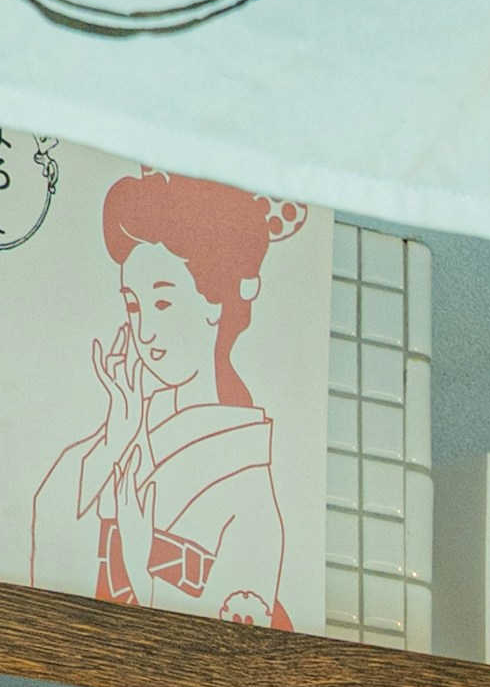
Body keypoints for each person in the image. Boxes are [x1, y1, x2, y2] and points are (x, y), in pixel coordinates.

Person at [28, 172, 312, 623]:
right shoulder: (131, 433)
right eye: (133, 305)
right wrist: (114, 439)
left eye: (162, 304)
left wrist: (143, 570)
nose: (144, 333)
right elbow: (49, 513)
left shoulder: (248, 490)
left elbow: (227, 672)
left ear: (215, 302)